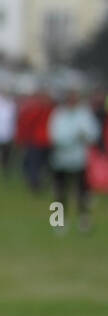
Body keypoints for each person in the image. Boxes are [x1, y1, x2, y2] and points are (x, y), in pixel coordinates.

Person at [48, 89, 99, 234]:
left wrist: (83, 136)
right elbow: (55, 136)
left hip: (79, 160)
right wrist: (74, 137)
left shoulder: (84, 114)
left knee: (83, 193)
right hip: (60, 160)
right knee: (59, 192)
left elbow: (93, 134)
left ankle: (84, 221)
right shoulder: (58, 114)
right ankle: (58, 223)